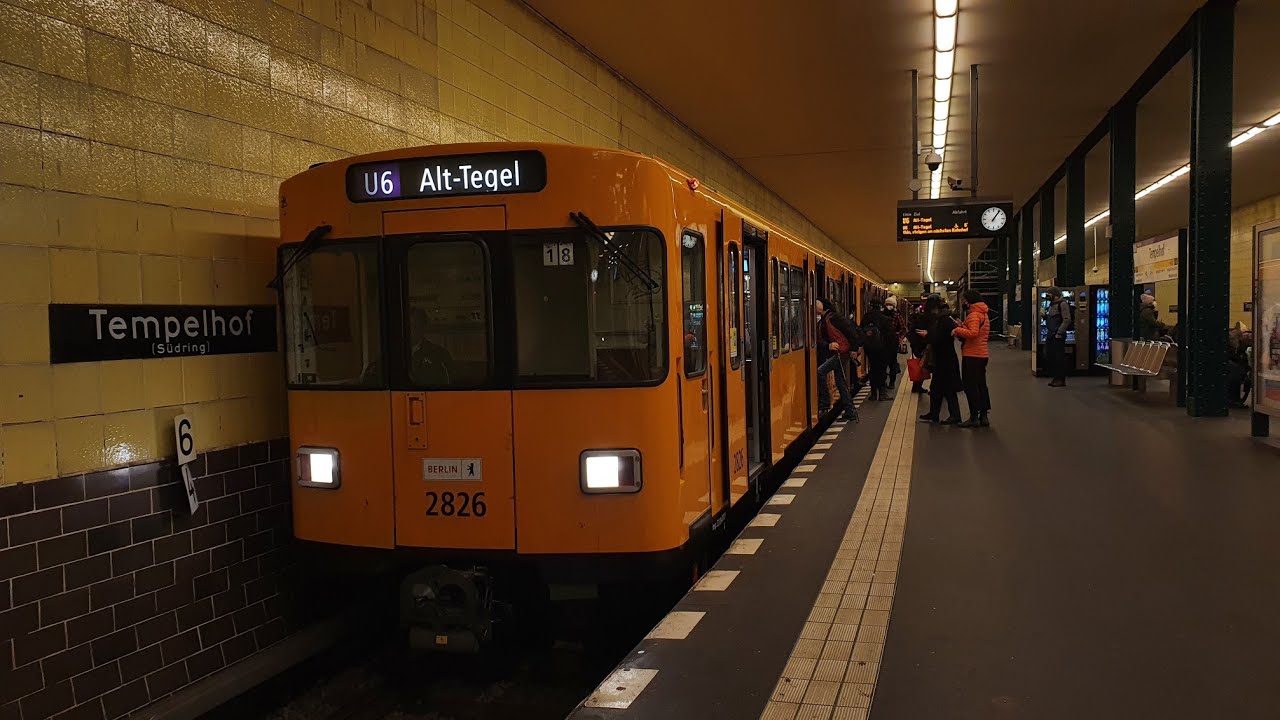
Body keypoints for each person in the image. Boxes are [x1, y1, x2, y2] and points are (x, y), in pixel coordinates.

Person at [918, 298, 962, 424]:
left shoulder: (944, 321)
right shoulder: (944, 319)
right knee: (937, 388)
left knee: (947, 389)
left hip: (945, 360)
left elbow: (938, 338)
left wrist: (926, 335)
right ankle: (934, 414)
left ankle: (954, 416)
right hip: (943, 359)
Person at [816, 298, 860, 422]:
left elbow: (851, 331)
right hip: (840, 352)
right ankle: (850, 411)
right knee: (841, 382)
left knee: (820, 372)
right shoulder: (826, 319)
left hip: (841, 352)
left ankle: (824, 402)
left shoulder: (833, 318)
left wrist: (854, 349)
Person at [952, 289, 991, 427]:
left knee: (970, 386)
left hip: (972, 355)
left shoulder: (974, 314)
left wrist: (957, 330)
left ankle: (974, 416)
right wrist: (962, 325)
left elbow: (973, 333)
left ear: (969, 301)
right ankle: (984, 416)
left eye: (964, 300)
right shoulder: (983, 314)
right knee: (981, 385)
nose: (963, 303)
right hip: (982, 354)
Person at [409, 307, 456, 385]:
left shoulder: (440, 354)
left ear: (423, 327)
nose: (411, 330)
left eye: (415, 325)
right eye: (408, 325)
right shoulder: (393, 354)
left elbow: (450, 383)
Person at [861, 299, 897, 401]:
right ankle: (882, 393)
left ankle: (873, 394)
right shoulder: (885, 318)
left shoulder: (866, 317)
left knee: (873, 369)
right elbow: (891, 336)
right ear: (881, 306)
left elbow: (860, 331)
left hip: (869, 348)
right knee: (881, 370)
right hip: (882, 349)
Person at [908, 294, 939, 393]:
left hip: (919, 345)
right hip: (928, 345)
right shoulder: (934, 316)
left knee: (922, 365)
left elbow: (912, 331)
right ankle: (934, 388)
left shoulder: (921, 316)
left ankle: (917, 386)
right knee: (932, 366)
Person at [1043, 288, 1073, 387]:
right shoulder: (1051, 305)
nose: (1047, 296)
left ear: (1054, 294)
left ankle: (1060, 379)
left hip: (1057, 335)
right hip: (1051, 334)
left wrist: (1059, 332)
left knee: (1058, 357)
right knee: (1050, 355)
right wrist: (1045, 317)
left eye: (1049, 294)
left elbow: (1067, 319)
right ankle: (1056, 377)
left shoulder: (1062, 304)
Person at [884, 297, 908, 389]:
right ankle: (884, 382)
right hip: (883, 342)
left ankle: (892, 382)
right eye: (887, 304)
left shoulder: (897, 316)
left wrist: (897, 336)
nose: (888, 306)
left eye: (890, 304)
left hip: (892, 343)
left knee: (892, 363)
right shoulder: (882, 315)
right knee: (884, 363)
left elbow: (903, 329)